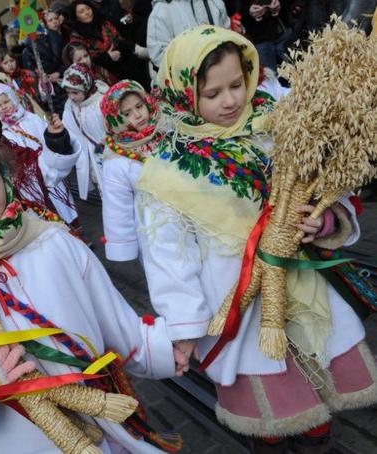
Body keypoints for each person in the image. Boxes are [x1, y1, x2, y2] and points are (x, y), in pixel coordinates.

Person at [136, 25, 377, 452]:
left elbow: (326, 188)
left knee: (318, 402)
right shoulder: (165, 173)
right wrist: (185, 327)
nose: (230, 101)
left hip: (301, 287)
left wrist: (321, 222)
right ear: (182, 94)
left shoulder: (277, 124)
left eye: (237, 84)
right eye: (212, 93)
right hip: (237, 307)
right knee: (271, 410)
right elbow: (169, 257)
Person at [0, 119, 180, 453]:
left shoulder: (50, 239)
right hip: (19, 440)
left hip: (105, 420)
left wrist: (163, 351)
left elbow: (112, 317)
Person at [0, 84, 78, 225]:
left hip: (47, 164)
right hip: (30, 175)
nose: (4, 107)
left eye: (6, 101)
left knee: (62, 200)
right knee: (44, 206)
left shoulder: (31, 118)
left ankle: (74, 227)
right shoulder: (2, 132)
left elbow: (46, 137)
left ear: (13, 98)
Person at [99, 79, 164, 262]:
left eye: (139, 106)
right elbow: (117, 206)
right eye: (127, 113)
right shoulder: (116, 158)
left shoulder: (164, 131)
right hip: (154, 228)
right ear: (114, 118)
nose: (138, 115)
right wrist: (122, 243)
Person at [68, 0, 151, 89]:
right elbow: (83, 61)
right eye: (81, 12)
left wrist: (135, 49)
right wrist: (107, 57)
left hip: (124, 64)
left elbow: (119, 40)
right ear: (76, 17)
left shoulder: (104, 23)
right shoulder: (77, 37)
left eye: (88, 9)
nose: (87, 13)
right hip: (103, 76)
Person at [61, 63, 109, 201]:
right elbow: (69, 131)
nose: (71, 97)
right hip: (92, 160)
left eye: (75, 92)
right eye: (68, 92)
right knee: (105, 194)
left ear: (87, 88)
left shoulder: (101, 102)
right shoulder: (70, 107)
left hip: (110, 153)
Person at [147, 0, 230, 72]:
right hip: (185, 83)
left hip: (221, 74)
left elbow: (227, 35)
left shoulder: (214, 3)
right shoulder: (161, 11)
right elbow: (159, 56)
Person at [242, 0, 294, 71]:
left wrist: (281, 3)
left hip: (283, 29)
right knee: (271, 78)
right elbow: (231, 7)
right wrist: (247, 10)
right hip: (258, 37)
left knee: (297, 73)